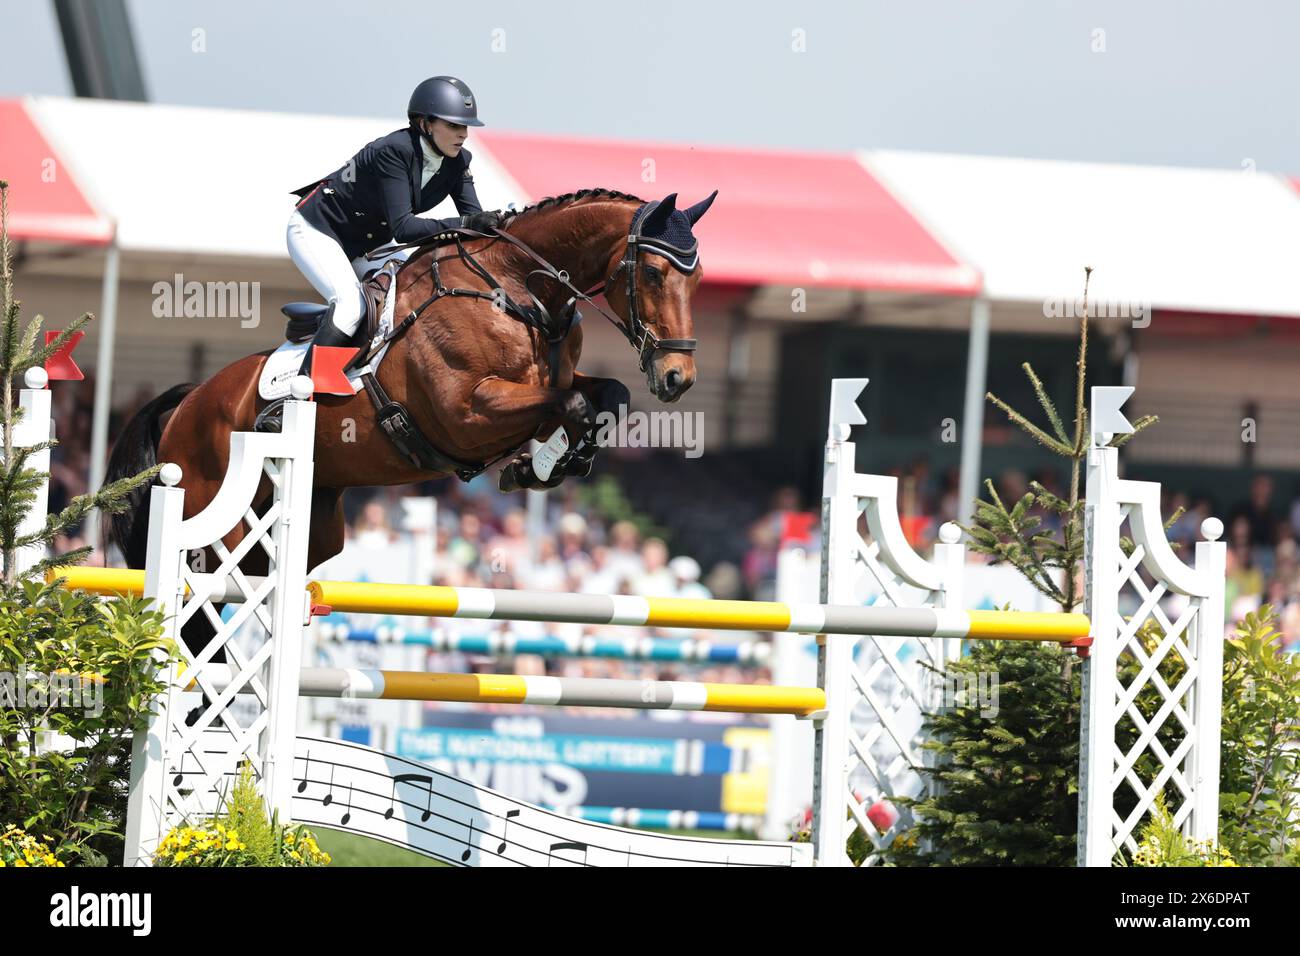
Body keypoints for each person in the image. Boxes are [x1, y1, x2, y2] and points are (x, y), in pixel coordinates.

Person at [286, 76, 503, 377]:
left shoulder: (459, 160)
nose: (463, 134)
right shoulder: (394, 151)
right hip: (319, 230)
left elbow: (474, 223)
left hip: (370, 244)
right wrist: (466, 223)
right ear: (426, 123)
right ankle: (305, 391)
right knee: (351, 306)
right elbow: (404, 228)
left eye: (465, 127)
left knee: (417, 292)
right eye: (454, 126)